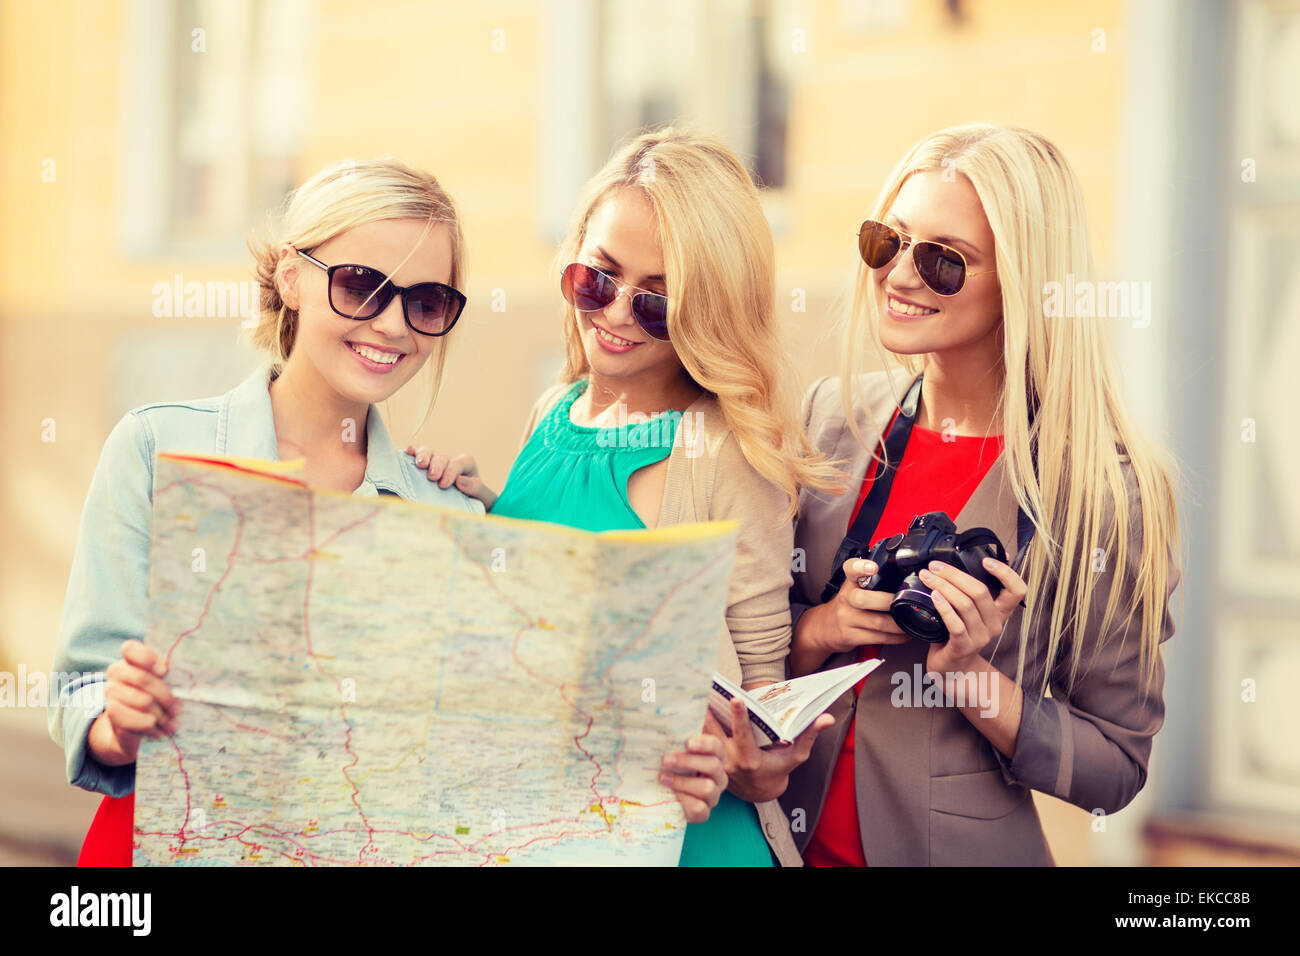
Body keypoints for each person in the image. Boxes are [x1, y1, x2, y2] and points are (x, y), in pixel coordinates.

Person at [49, 157, 721, 866]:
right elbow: (81, 683)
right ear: (291, 277)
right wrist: (116, 724)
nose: (394, 324)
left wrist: (655, 779)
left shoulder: (450, 514)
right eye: (361, 286)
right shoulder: (156, 447)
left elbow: (492, 754)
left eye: (426, 302)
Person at [409, 127, 844, 866]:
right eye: (598, 279)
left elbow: (765, 711)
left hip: (688, 843)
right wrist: (476, 506)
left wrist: (749, 760)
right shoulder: (553, 410)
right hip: (555, 834)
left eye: (655, 303)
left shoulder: (728, 452)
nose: (613, 314)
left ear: (707, 311)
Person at [781, 123, 1183, 866]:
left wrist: (972, 681)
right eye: (888, 241)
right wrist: (820, 630)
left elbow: (1116, 769)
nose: (900, 276)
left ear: (1023, 283)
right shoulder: (828, 417)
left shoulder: (1106, 492)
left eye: (944, 260)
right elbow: (747, 645)